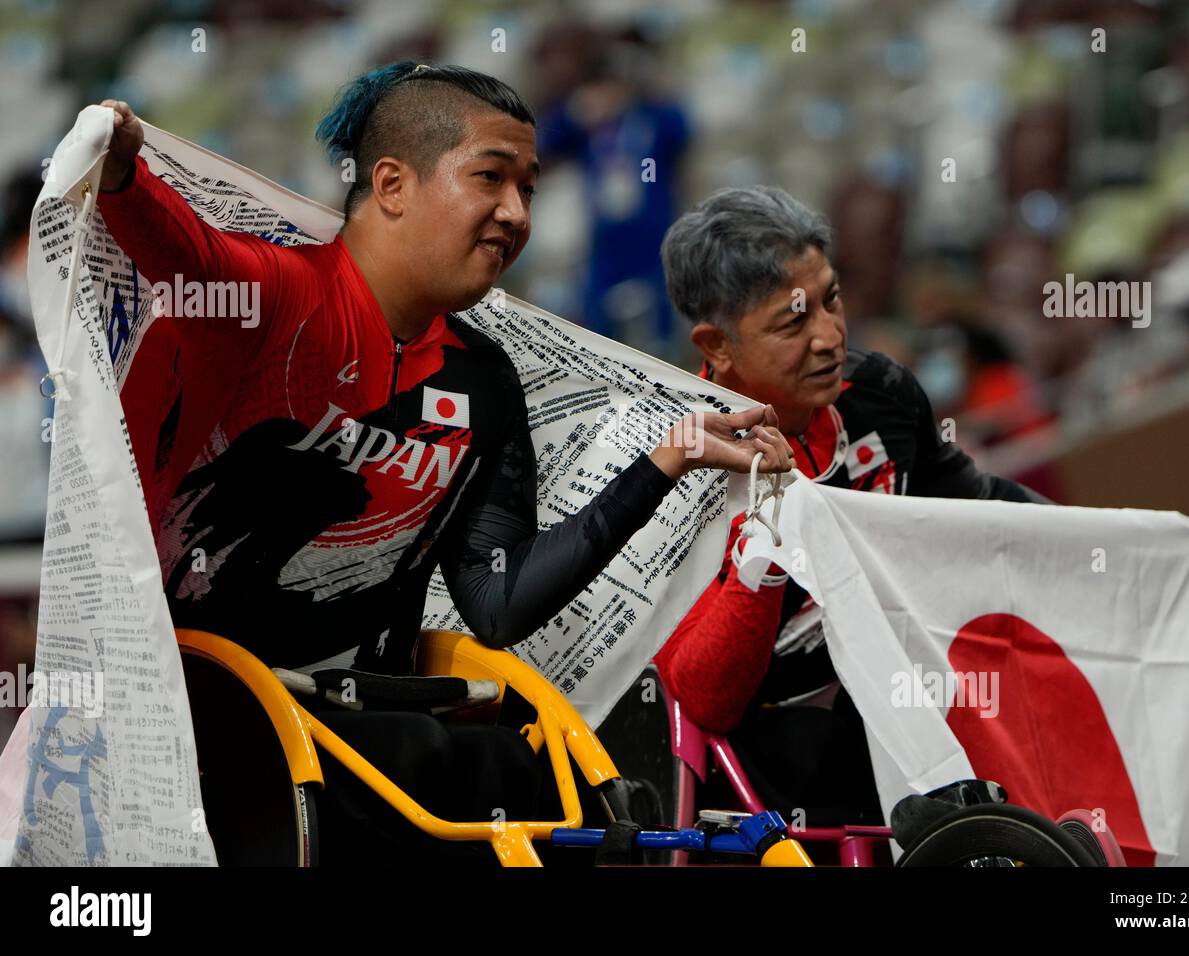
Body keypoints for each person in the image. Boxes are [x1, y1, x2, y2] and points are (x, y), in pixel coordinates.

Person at [93, 63, 792, 864]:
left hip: (368, 717)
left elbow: (495, 601)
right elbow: (178, 252)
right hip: (208, 712)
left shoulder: (484, 379)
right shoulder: (274, 298)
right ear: (390, 183)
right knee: (426, 755)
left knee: (513, 764)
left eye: (530, 187)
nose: (517, 214)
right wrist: (120, 173)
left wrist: (666, 461)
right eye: (491, 178)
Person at [653, 185, 1048, 835]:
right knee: (835, 740)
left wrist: (1102, 539)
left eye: (831, 300)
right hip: (767, 744)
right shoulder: (678, 463)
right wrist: (773, 536)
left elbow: (977, 508)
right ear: (716, 346)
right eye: (792, 323)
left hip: (903, 695)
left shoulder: (882, 395)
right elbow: (705, 699)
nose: (829, 337)